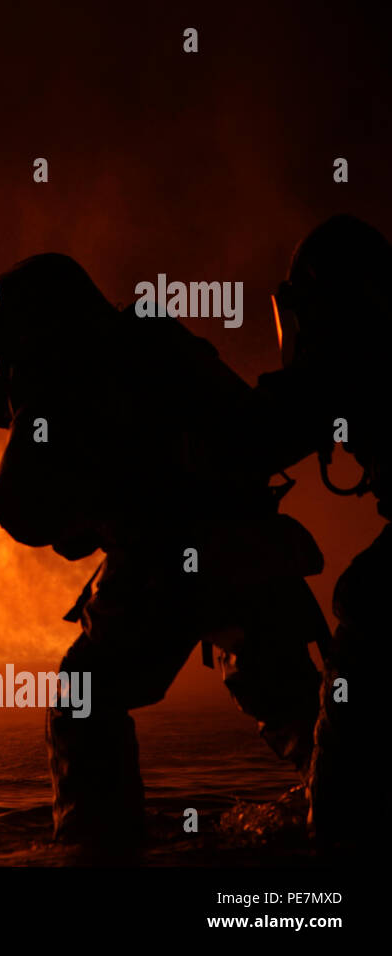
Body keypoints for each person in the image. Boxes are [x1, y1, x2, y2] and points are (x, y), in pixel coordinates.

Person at [0, 253, 329, 851]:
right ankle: (354, 813)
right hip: (245, 546)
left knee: (83, 694)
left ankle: (97, 848)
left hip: (167, 562)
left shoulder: (58, 377)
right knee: (286, 696)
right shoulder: (150, 339)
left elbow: (32, 513)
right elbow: (240, 432)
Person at [252, 214, 392, 854]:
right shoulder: (368, 343)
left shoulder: (356, 353)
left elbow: (257, 436)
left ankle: (336, 839)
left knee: (365, 611)